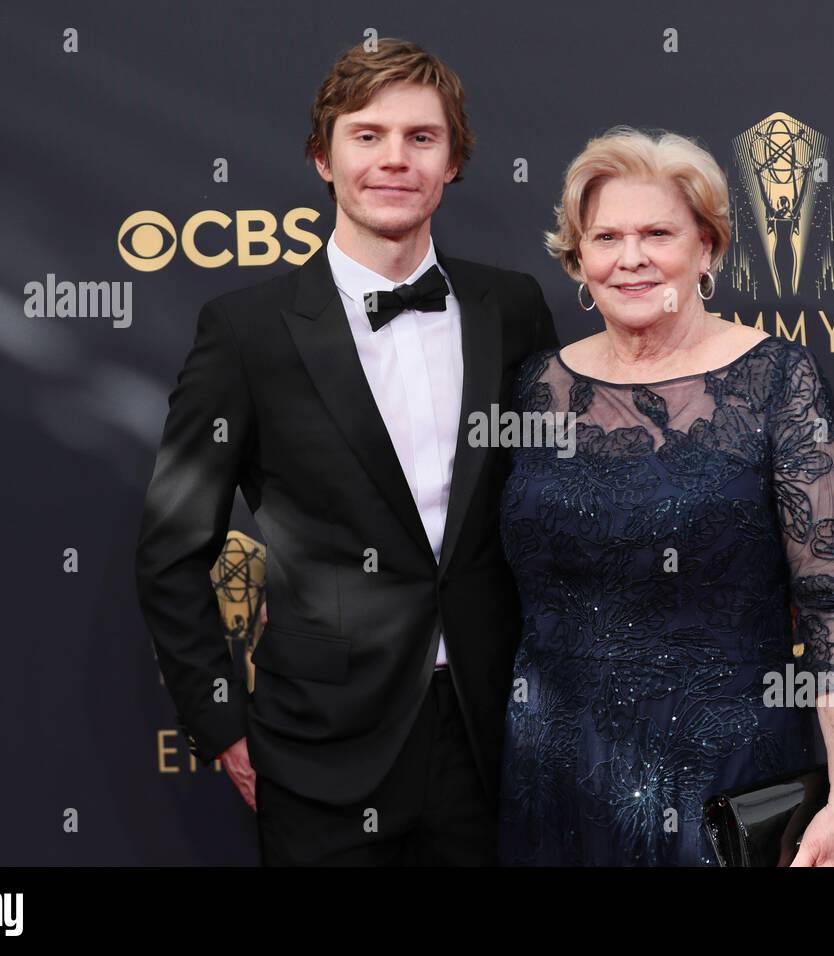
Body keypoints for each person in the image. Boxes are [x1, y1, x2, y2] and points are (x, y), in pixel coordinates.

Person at [134, 37, 557, 865]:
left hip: (495, 739)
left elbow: (554, 505)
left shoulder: (512, 307)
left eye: (421, 138)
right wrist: (220, 724)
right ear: (322, 158)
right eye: (367, 136)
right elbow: (170, 551)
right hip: (318, 746)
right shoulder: (245, 332)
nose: (393, 159)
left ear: (455, 162)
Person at [497, 126, 834, 866]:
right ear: (579, 259)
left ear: (707, 248)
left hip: (722, 777)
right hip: (553, 771)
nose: (631, 257)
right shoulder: (536, 386)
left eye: (657, 233)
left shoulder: (776, 381)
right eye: (605, 236)